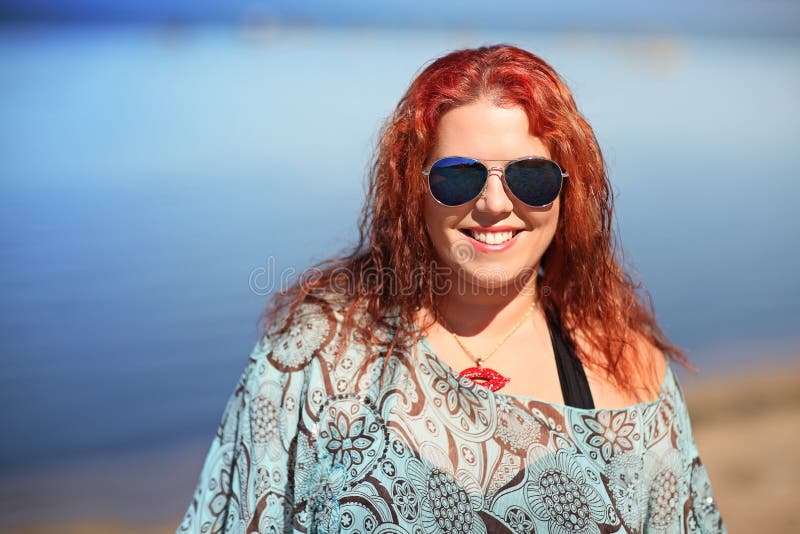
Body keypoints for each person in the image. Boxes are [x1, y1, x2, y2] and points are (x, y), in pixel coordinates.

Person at [176, 44, 726, 533]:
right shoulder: (319, 354)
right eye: (458, 176)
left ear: (567, 192)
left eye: (529, 177)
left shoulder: (626, 366)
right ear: (412, 189)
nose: (492, 204)